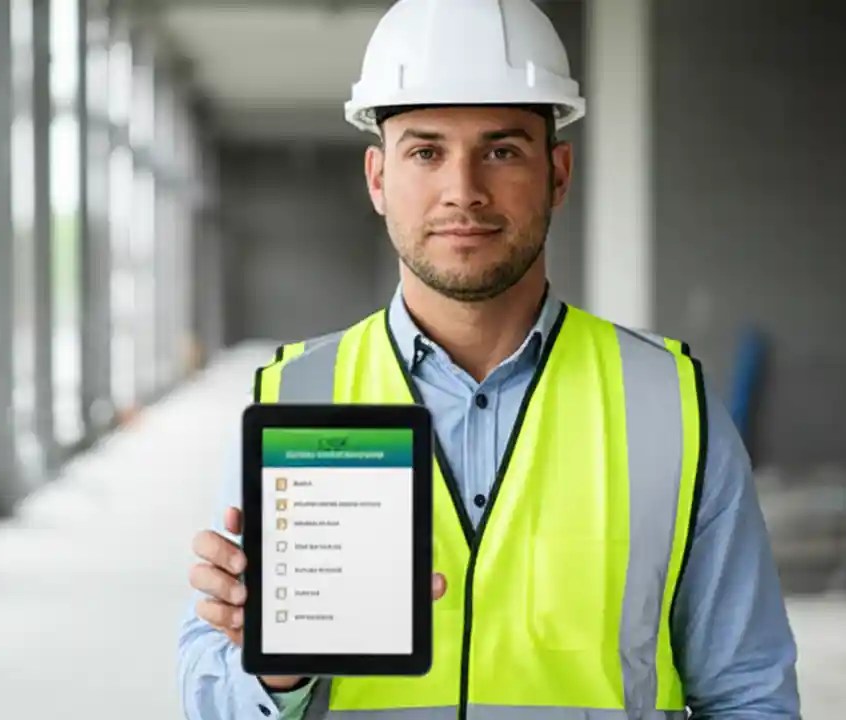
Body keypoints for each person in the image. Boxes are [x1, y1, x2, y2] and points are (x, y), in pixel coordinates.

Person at [177, 0, 800, 718]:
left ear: (558, 174)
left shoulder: (668, 402)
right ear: (378, 178)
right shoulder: (293, 397)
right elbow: (211, 695)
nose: (463, 190)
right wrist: (275, 674)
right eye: (426, 151)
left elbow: (751, 693)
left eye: (502, 151)